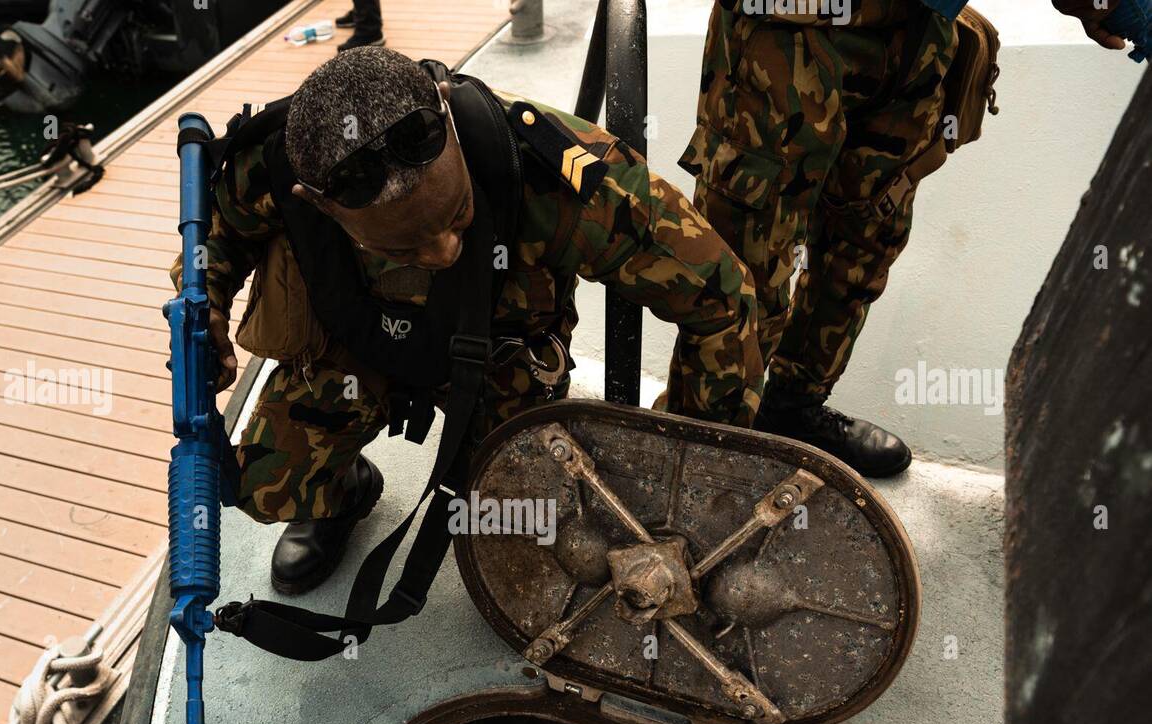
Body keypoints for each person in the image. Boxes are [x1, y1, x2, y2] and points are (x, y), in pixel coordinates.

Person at [173, 47, 764, 598]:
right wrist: (211, 314)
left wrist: (689, 467)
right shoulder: (279, 169)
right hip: (356, 351)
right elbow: (213, 241)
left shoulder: (560, 180)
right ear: (321, 203)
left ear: (448, 117)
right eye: (404, 247)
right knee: (266, 482)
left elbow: (721, 297)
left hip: (499, 365)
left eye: (458, 217)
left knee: (509, 537)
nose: (442, 252)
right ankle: (346, 493)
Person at [680, 0, 1136, 477]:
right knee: (751, 249)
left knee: (867, 236)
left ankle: (791, 408)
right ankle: (706, 447)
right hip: (791, 25)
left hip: (918, 29)